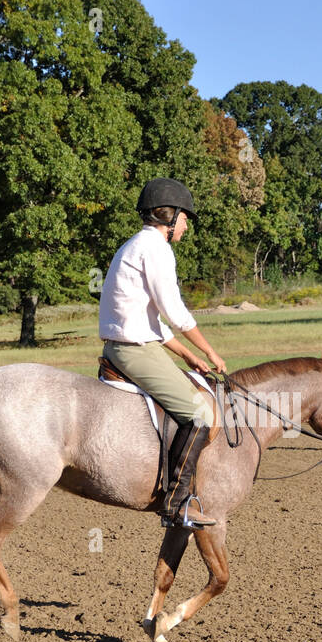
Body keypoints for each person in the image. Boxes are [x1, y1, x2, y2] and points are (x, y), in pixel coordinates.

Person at [99, 178, 227, 530]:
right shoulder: (156, 249)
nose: (186, 225)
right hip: (134, 351)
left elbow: (148, 319)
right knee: (201, 412)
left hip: (135, 344)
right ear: (169, 217)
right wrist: (209, 350)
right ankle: (177, 502)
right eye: (185, 218)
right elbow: (174, 312)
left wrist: (187, 355)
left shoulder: (133, 246)